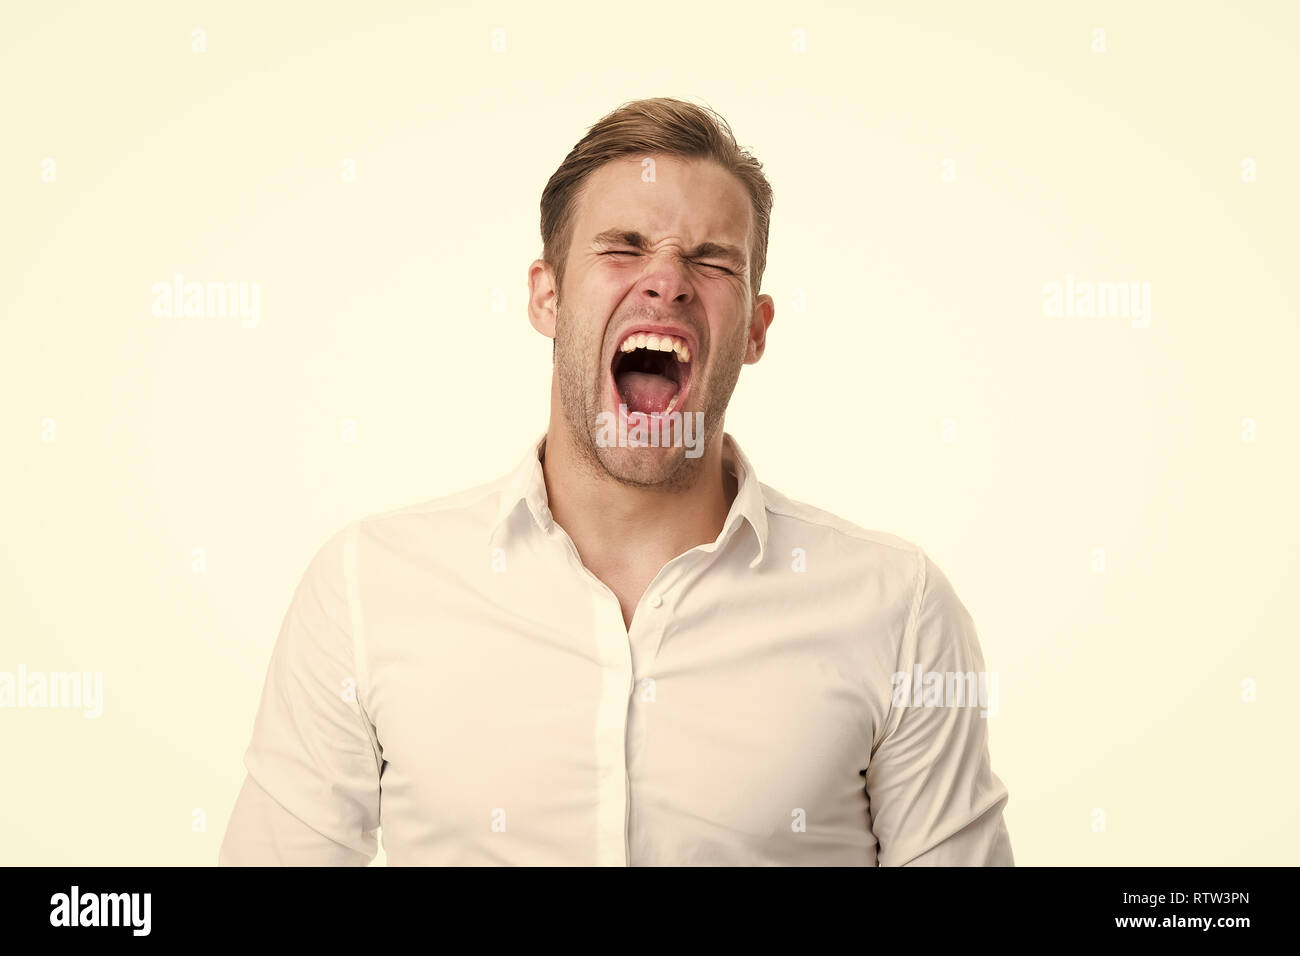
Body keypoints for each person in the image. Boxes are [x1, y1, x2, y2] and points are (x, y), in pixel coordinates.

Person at [219, 96, 1014, 866]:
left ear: (756, 330)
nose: (667, 281)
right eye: (623, 247)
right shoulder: (367, 586)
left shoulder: (899, 608)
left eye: (710, 260)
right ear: (547, 296)